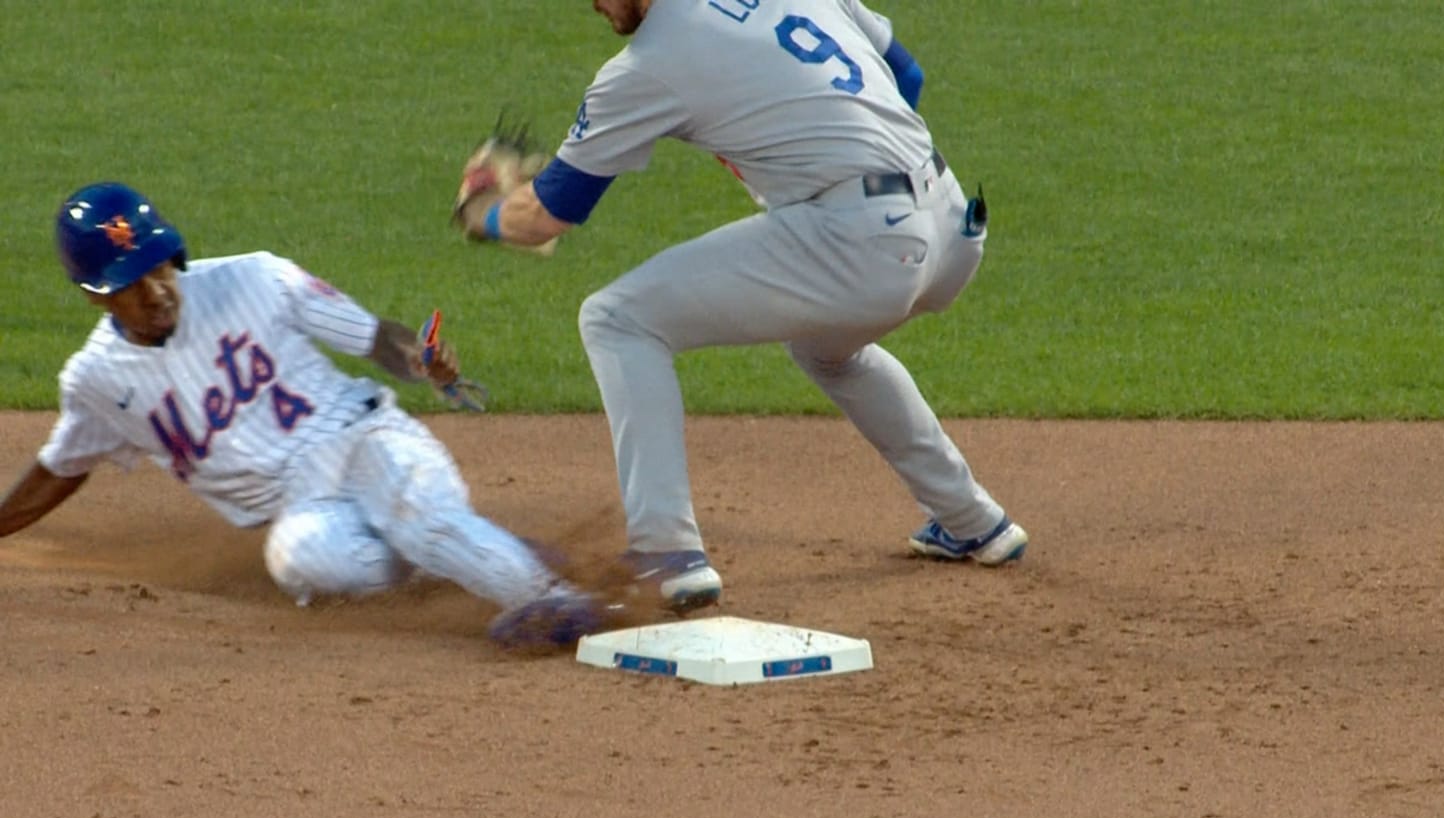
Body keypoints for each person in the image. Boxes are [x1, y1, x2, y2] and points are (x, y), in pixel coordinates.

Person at [454, 0, 1026, 625]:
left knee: (617, 319)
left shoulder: (647, 64)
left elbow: (543, 218)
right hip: (951, 225)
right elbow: (906, 78)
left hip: (865, 244)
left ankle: (665, 552)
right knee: (827, 351)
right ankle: (972, 520)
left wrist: (479, 213)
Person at [0, 181, 620, 647]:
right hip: (307, 510)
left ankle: (554, 600)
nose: (157, 289)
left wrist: (423, 363)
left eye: (159, 266)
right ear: (93, 294)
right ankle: (489, 552)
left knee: (415, 516)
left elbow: (377, 338)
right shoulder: (96, 382)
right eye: (131, 282)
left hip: (365, 439)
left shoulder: (256, 279)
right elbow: (60, 468)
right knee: (300, 561)